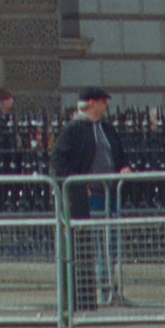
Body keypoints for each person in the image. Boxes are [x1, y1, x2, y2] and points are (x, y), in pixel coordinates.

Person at [53, 89, 120, 307]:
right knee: (96, 244)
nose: (106, 106)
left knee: (112, 244)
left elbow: (118, 154)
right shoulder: (74, 130)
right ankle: (101, 290)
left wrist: (124, 167)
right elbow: (60, 163)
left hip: (110, 192)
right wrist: (77, 186)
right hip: (90, 196)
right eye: (103, 102)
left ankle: (111, 289)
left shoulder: (107, 129)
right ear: (92, 103)